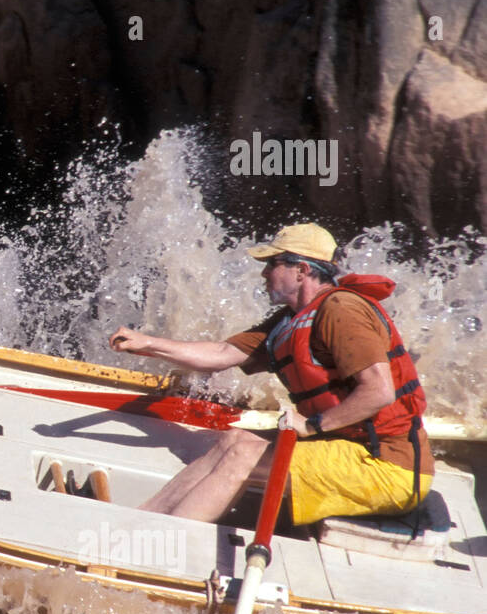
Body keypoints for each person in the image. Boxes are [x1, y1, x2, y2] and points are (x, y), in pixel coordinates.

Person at [108, 223, 432, 526]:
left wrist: (311, 425)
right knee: (233, 440)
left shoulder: (342, 310)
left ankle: (165, 545)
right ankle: (141, 524)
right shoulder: (289, 321)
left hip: (390, 469)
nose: (264, 272)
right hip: (352, 453)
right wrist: (147, 343)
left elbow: (379, 391)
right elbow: (221, 354)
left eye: (273, 263)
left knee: (241, 457)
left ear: (302, 270)